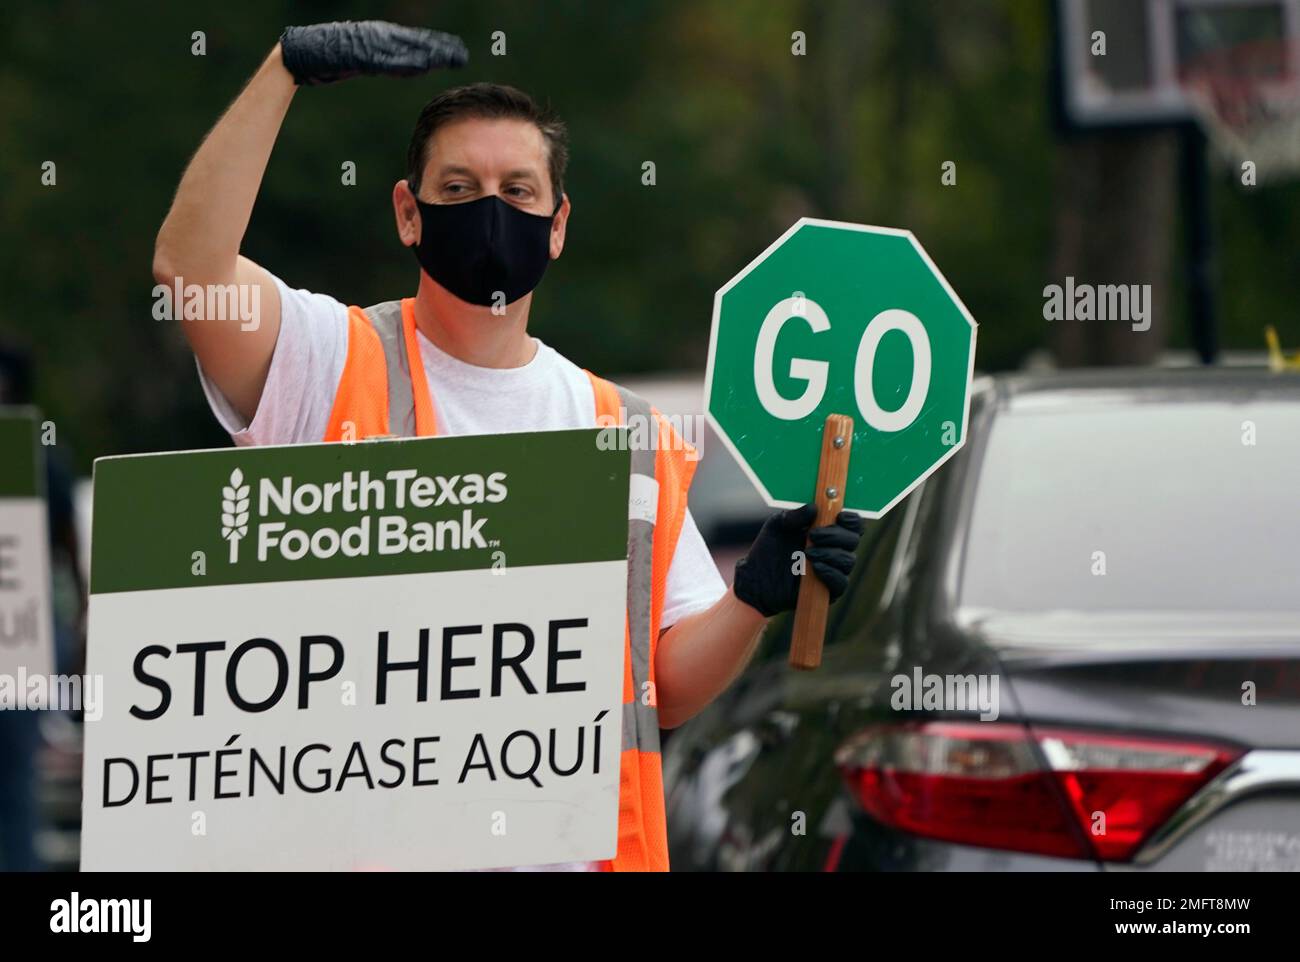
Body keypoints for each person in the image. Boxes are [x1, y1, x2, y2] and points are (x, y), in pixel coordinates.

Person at [152, 20, 864, 872]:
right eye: (459, 187)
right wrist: (284, 70)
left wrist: (752, 596)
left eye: (517, 191)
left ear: (557, 225)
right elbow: (191, 272)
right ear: (409, 214)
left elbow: (664, 689)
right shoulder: (327, 361)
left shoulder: (625, 430)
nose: (490, 210)